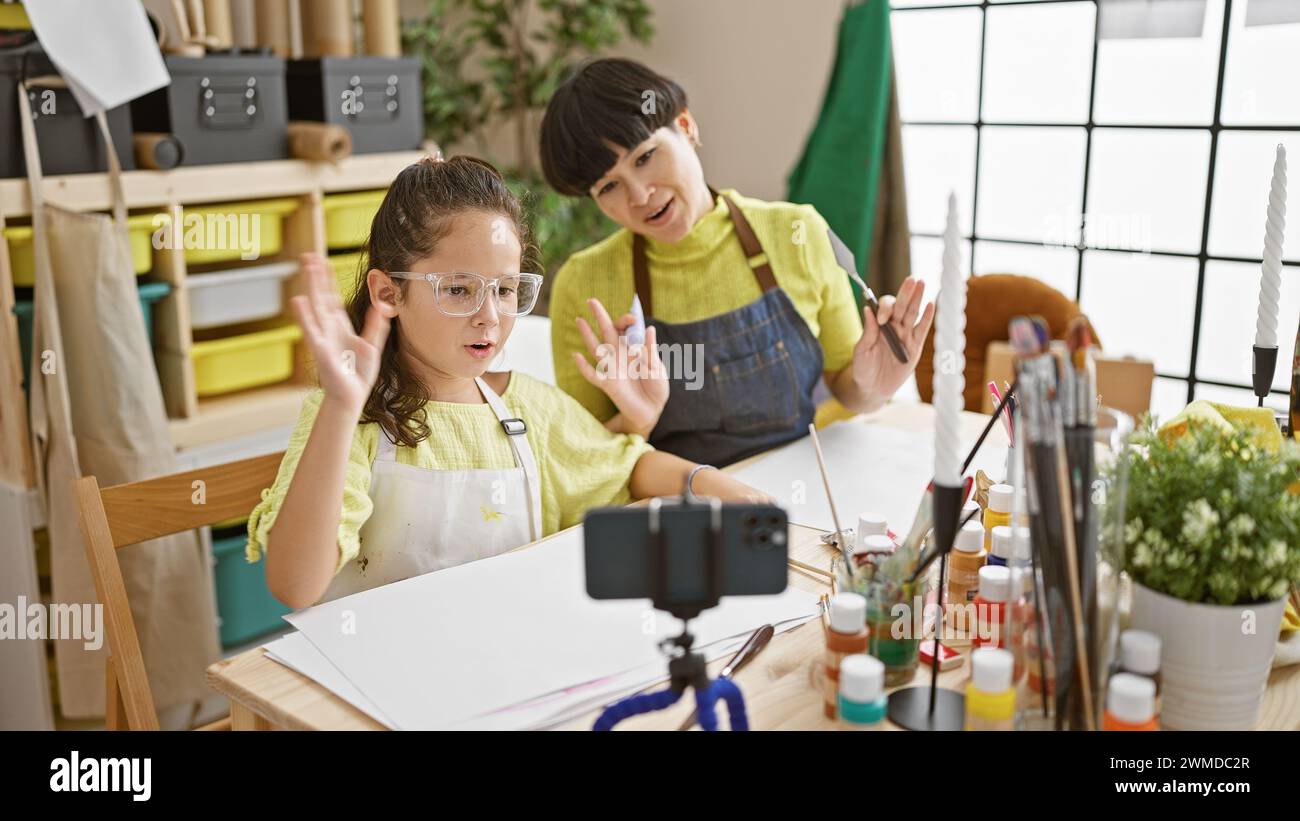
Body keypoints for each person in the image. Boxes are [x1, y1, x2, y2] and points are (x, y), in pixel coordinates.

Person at [247, 155, 767, 608]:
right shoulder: (347, 418)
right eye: (457, 289)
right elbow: (295, 585)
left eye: (504, 290)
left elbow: (627, 467)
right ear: (388, 293)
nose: (489, 317)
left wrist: (713, 484)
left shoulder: (525, 408)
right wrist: (340, 407)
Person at [541, 58, 934, 467]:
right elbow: (581, 463)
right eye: (609, 186)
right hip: (679, 504)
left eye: (644, 157)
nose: (639, 195)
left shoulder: (798, 233)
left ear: (686, 127)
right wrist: (637, 419)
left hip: (805, 492)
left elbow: (847, 390)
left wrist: (873, 386)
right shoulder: (584, 283)